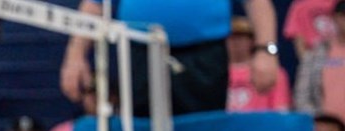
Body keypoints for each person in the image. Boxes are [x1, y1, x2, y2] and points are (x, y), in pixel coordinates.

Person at [60, 0, 280, 117]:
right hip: (139, 55)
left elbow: (257, 2)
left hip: (203, 58)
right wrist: (75, 56)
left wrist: (266, 51)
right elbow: (93, 4)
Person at [227, 16, 291, 112]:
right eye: (231, 38)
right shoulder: (212, 74)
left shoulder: (272, 72)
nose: (235, 43)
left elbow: (281, 111)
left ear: (252, 41)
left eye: (240, 38)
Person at [294, 2, 345, 120]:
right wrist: (320, 122)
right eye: (343, 15)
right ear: (334, 18)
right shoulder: (316, 53)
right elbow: (302, 96)